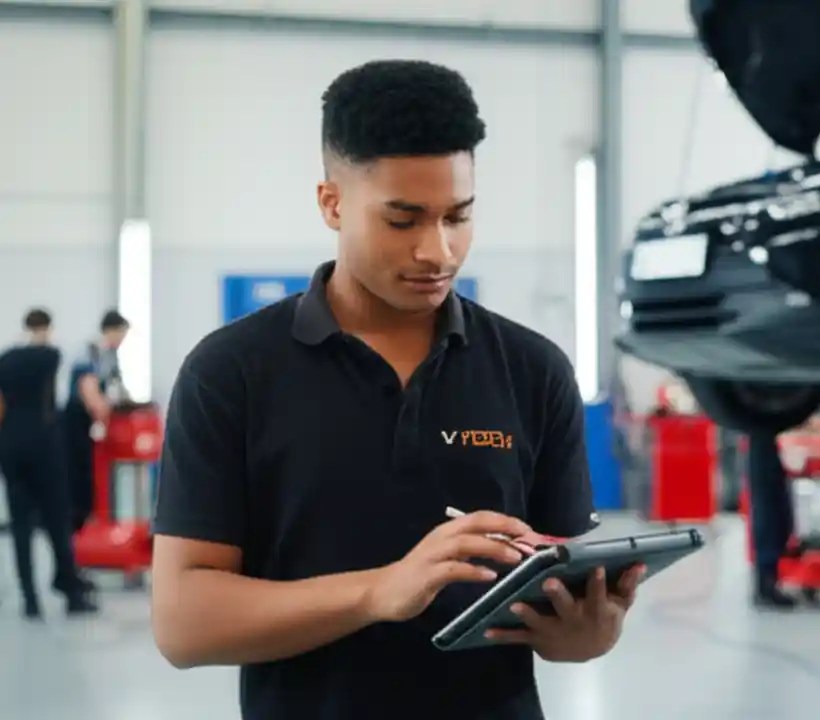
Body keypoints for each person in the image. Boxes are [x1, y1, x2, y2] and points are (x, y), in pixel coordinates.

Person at [150, 59, 645, 720]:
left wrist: (588, 633)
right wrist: (380, 591)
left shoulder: (533, 369)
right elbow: (184, 625)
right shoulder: (232, 373)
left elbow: (561, 605)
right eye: (403, 220)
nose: (437, 251)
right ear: (332, 202)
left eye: (457, 216)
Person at [0, 309, 97, 618]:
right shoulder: (50, 355)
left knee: (21, 525)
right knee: (57, 520)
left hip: (11, 443)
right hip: (45, 445)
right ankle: (69, 590)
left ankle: (30, 599)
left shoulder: (6, 360)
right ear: (47, 328)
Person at [63, 309, 130, 532]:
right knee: (80, 471)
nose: (122, 340)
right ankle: (78, 525)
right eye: (121, 334)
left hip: (92, 419)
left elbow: (118, 387)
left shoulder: (111, 355)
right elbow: (88, 389)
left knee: (95, 472)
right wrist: (102, 414)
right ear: (111, 330)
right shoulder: (90, 351)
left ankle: (95, 520)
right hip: (76, 419)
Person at [746, 431, 798, 609]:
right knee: (769, 517)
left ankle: (766, 585)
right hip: (764, 454)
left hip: (767, 451)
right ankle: (766, 587)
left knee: (774, 516)